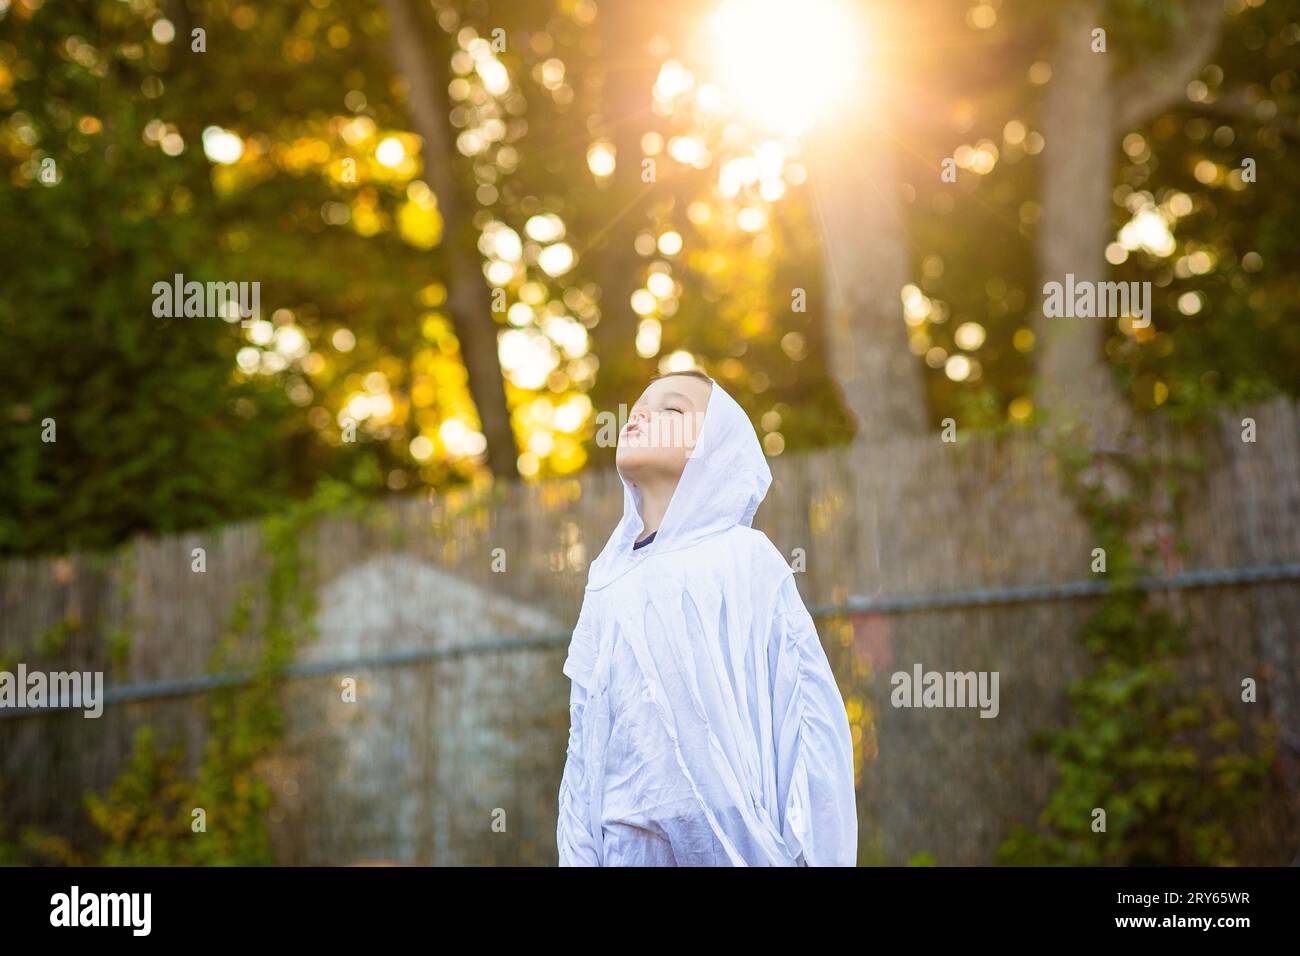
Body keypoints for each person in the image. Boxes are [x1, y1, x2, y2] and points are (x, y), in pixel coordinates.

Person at [557, 368, 858, 866]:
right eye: (638, 407)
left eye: (671, 409)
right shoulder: (607, 583)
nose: (639, 416)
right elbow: (584, 738)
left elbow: (804, 710)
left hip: (735, 843)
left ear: (715, 447)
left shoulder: (744, 558)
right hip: (626, 847)